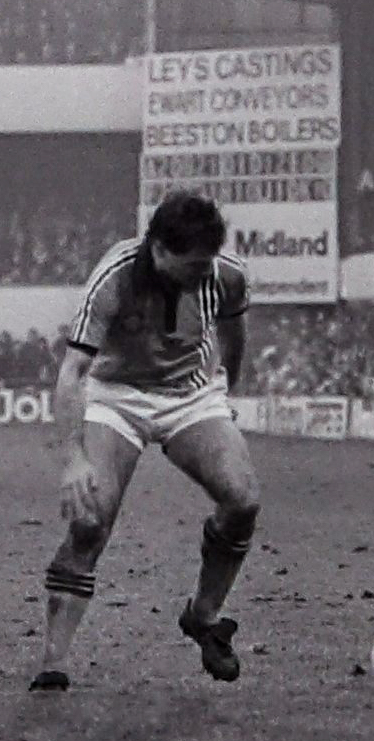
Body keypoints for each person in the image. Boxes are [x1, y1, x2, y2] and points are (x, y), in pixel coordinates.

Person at [30, 190, 259, 691]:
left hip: (190, 395)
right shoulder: (114, 276)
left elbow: (234, 335)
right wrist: (72, 460)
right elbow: (73, 372)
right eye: (192, 266)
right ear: (157, 249)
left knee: (242, 501)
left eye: (208, 265)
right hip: (117, 397)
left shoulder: (227, 275)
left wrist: (224, 393)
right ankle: (53, 665)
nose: (203, 275)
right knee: (90, 521)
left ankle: (204, 616)